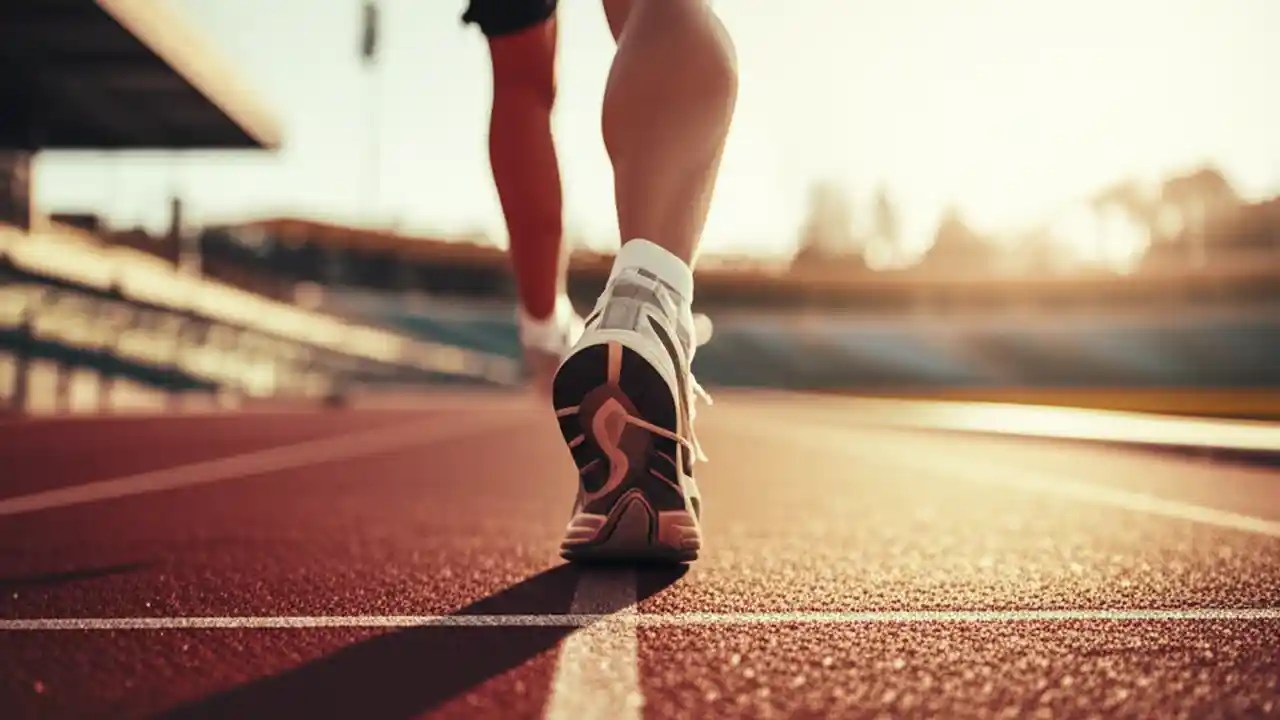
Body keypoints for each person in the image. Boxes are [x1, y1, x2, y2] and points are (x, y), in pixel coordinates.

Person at [463, 0, 737, 562]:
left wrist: (541, 323)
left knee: (519, 74)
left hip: (545, 316)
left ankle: (550, 325)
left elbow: (524, 85)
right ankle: (648, 304)